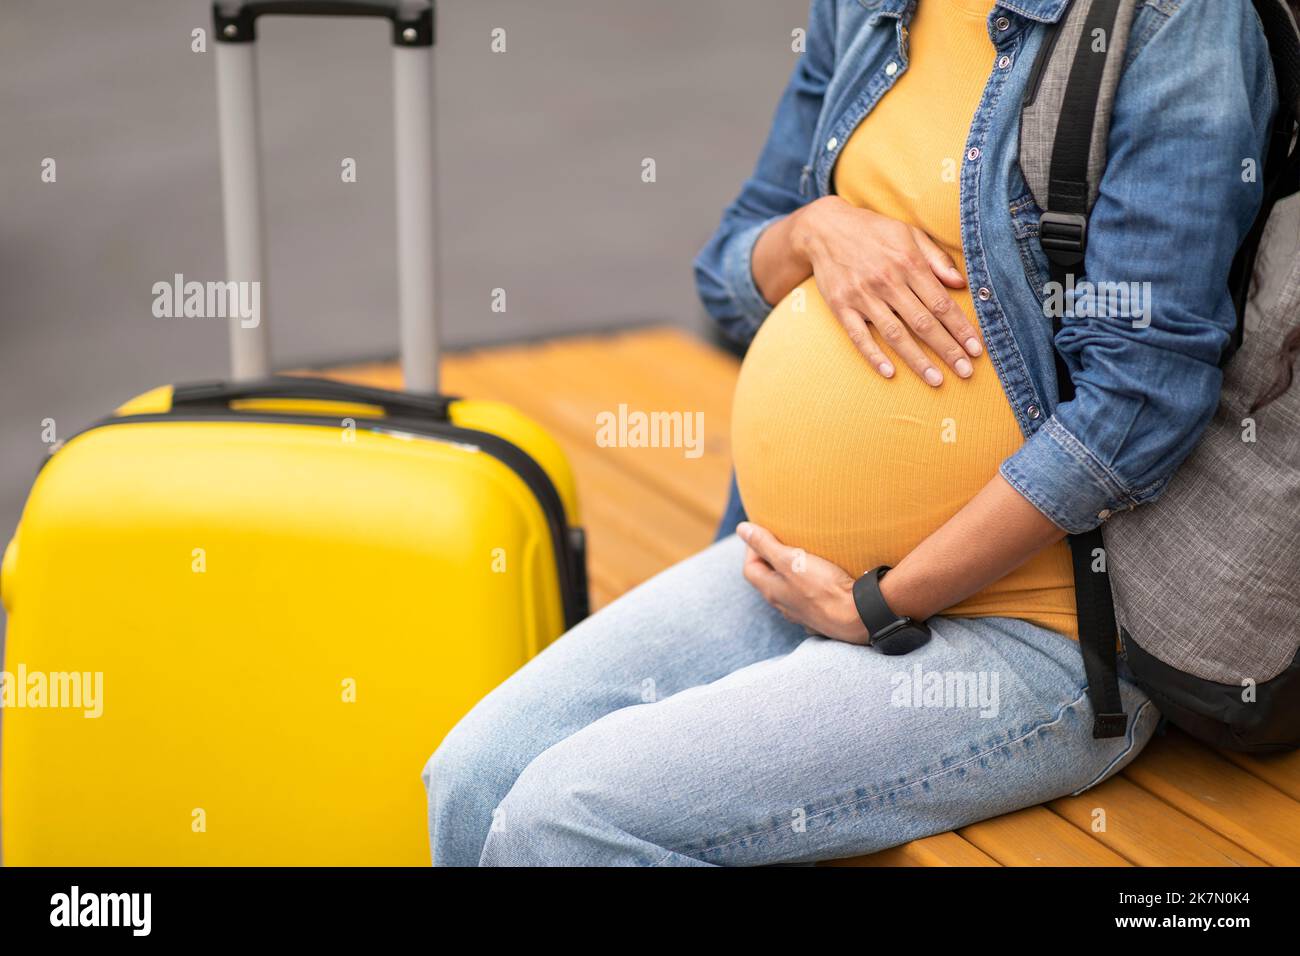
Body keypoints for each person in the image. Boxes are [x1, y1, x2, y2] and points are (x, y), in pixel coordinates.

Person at [423, 0, 1276, 866]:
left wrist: (883, 603)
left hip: (1037, 628)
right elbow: (727, 272)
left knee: (564, 825)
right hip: (793, 568)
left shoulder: (1174, 19)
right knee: (474, 774)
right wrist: (814, 231)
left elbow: (1139, 402)